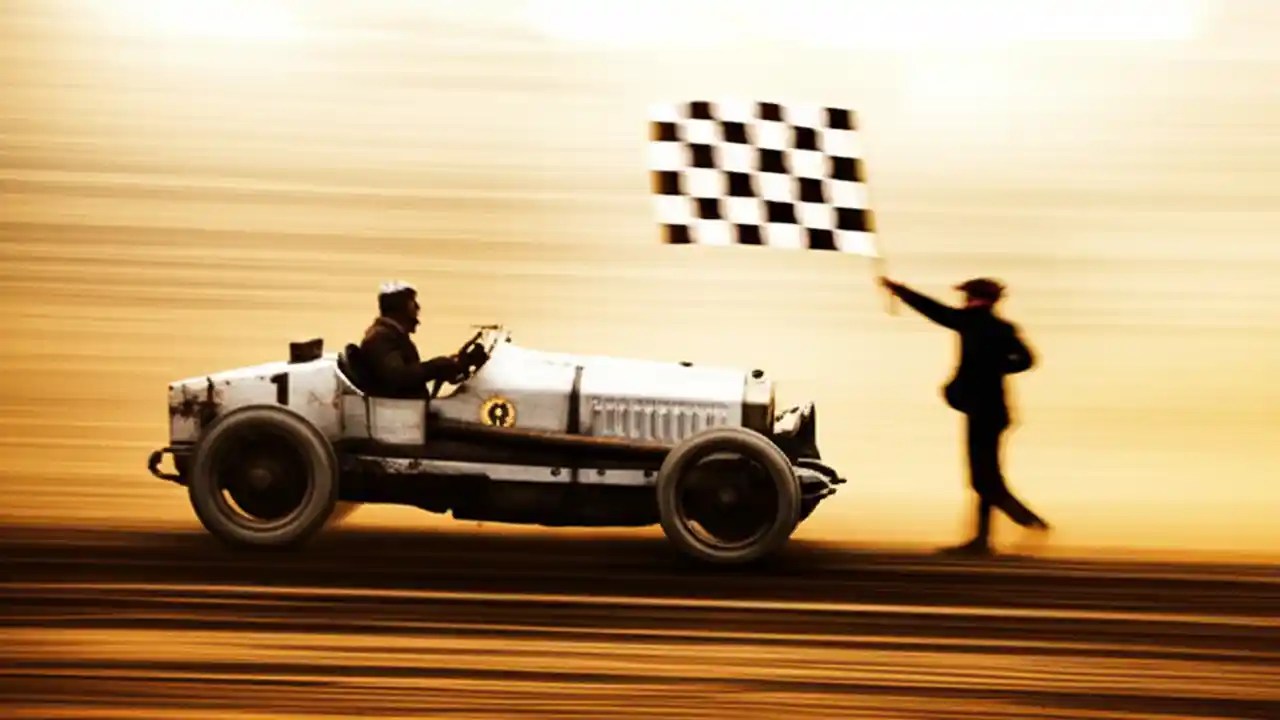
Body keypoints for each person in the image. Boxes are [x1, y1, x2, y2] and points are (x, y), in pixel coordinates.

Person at [878, 275, 1050, 556]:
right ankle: (982, 540)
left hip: (983, 412)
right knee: (987, 479)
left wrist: (900, 291)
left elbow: (934, 311)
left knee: (984, 481)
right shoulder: (1000, 327)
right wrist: (998, 367)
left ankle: (1030, 523)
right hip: (991, 412)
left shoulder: (973, 323)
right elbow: (1026, 360)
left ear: (973, 297)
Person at [359, 281, 468, 399]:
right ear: (401, 307)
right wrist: (436, 366)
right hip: (399, 411)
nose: (417, 308)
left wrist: (447, 365)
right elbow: (398, 377)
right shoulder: (381, 338)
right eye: (412, 303)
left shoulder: (390, 335)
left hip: (407, 408)